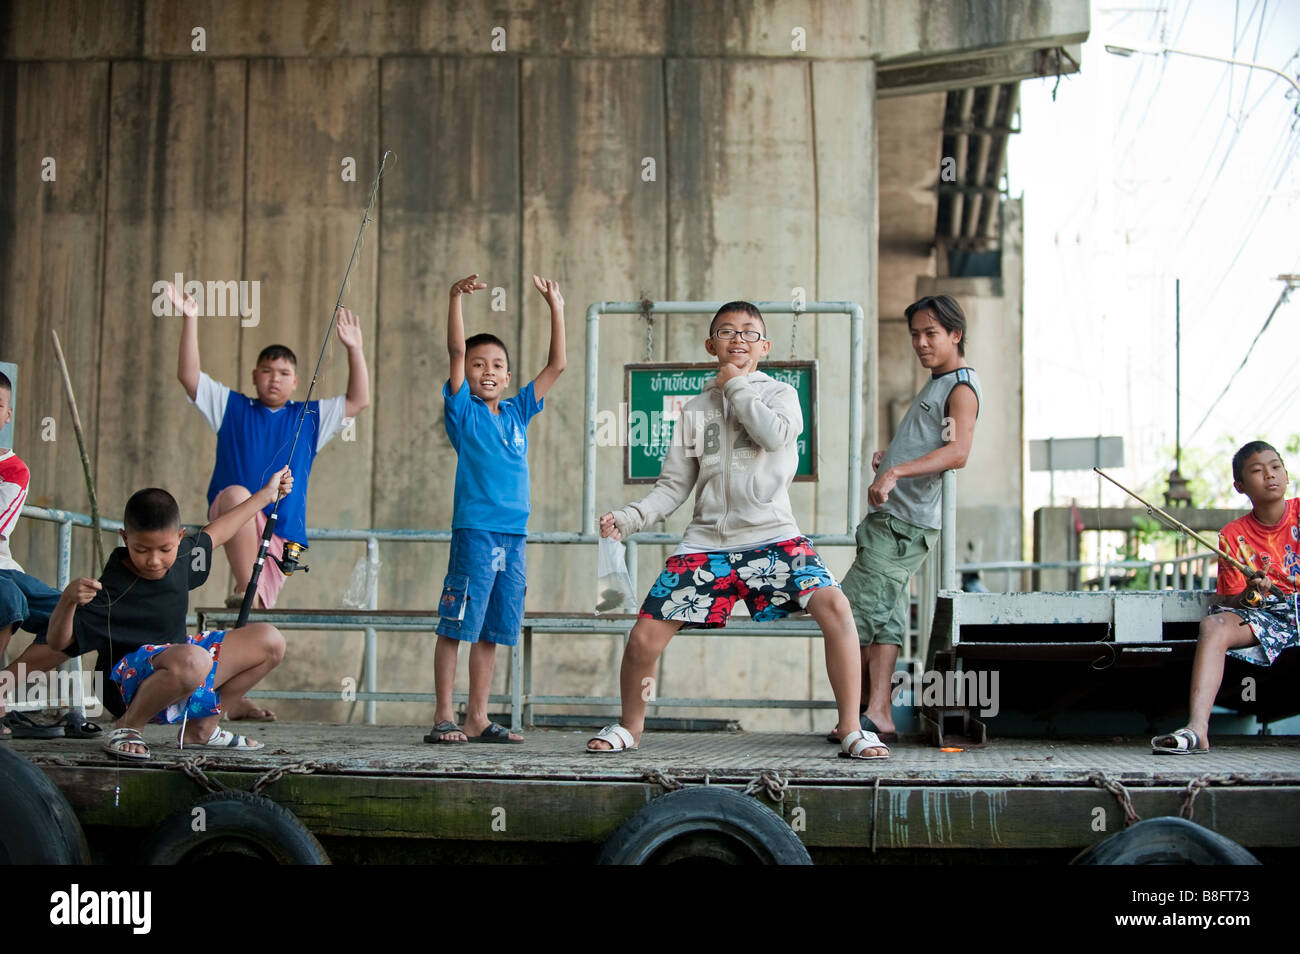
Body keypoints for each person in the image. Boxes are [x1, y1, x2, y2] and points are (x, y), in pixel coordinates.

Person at [586, 302, 881, 759]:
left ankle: (851, 728)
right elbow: (672, 486)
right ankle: (630, 727)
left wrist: (737, 386)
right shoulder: (695, 409)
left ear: (764, 346)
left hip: (775, 537)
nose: (738, 338)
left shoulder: (780, 394)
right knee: (642, 638)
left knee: (836, 608)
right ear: (711, 346)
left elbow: (775, 436)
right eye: (726, 331)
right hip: (706, 544)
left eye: (748, 332)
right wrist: (629, 518)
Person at [172, 282, 370, 720]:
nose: (273, 379)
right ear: (254, 375)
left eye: (282, 373)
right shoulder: (232, 407)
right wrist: (190, 318)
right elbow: (190, 377)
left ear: (296, 381)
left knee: (254, 633)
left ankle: (229, 700)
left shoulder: (310, 418)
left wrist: (354, 347)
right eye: (266, 371)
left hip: (282, 536)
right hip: (232, 519)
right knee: (240, 497)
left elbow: (360, 399)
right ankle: (247, 586)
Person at [45, 471, 293, 760]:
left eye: (165, 549)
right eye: (141, 549)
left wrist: (267, 494)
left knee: (270, 640)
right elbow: (57, 643)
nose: (154, 560)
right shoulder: (111, 589)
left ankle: (202, 730)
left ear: (179, 538)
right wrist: (67, 601)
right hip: (125, 689)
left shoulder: (184, 558)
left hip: (183, 667)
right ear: (125, 539)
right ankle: (128, 726)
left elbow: (221, 531)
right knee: (195, 659)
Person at [832, 295, 981, 745]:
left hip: (902, 525)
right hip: (896, 521)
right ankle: (880, 714)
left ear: (956, 335)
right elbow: (935, 445)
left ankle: (855, 718)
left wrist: (894, 471)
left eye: (930, 333)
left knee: (846, 615)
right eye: (915, 334)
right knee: (886, 620)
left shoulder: (960, 388)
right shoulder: (938, 383)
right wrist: (891, 457)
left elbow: (958, 453)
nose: (920, 342)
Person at [424, 274, 565, 745]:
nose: (487, 370)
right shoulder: (463, 411)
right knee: (457, 621)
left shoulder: (519, 411)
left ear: (507, 377)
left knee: (493, 628)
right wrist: (455, 298)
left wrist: (555, 308)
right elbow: (455, 353)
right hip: (476, 533)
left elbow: (558, 365)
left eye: (498, 365)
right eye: (480, 363)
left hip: (513, 537)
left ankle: (477, 717)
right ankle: (445, 714)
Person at [1152, 441, 1299, 754]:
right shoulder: (1233, 535)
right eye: (1258, 471)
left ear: (1286, 474)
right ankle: (1198, 729)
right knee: (1214, 625)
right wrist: (1251, 593)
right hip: (1270, 613)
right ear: (1240, 486)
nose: (1270, 476)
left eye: (1275, 467)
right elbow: (1234, 599)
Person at [0, 371, 101, 741]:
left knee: (82, 618)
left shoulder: (13, 469)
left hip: (4, 567)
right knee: (7, 599)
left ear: (7, 414)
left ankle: (1, 688)